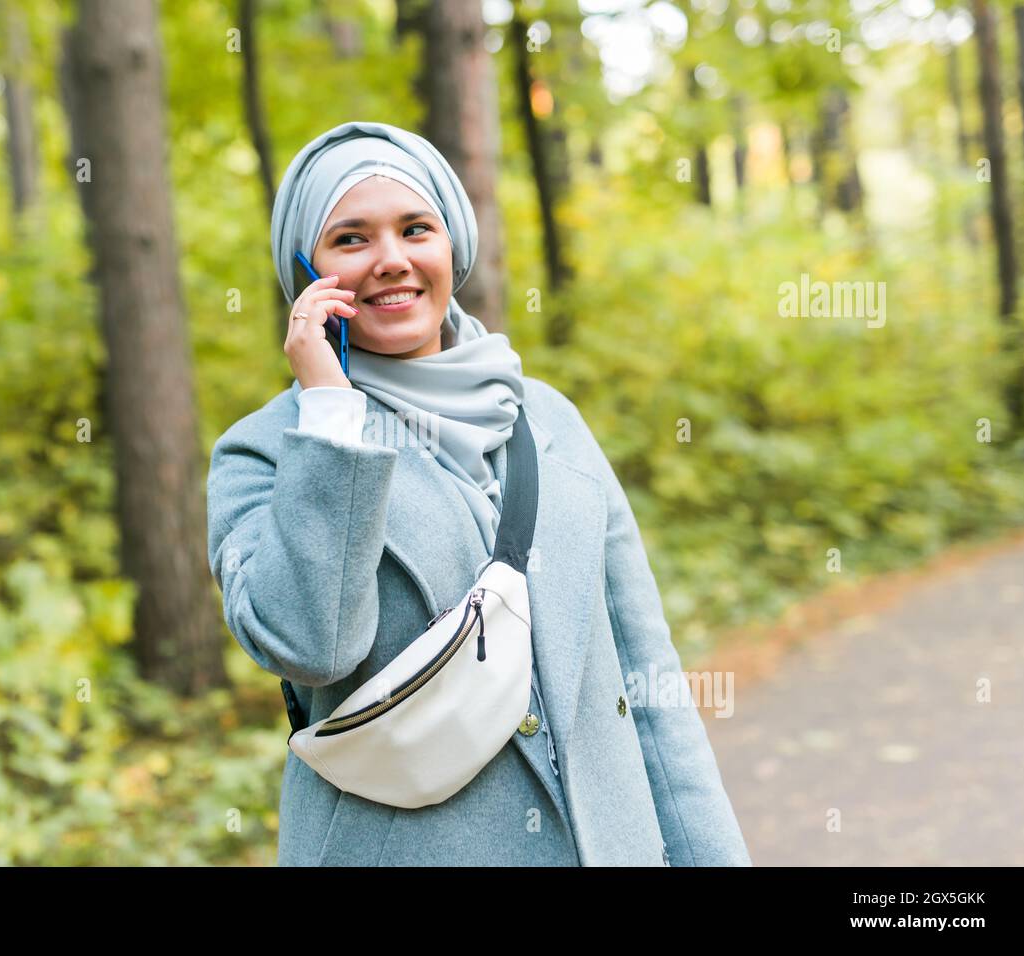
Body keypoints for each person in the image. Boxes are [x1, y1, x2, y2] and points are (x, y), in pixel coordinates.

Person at [206, 120, 752, 867]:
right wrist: (330, 417)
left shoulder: (549, 418)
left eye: (415, 228)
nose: (392, 260)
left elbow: (643, 668)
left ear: (452, 243)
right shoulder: (268, 450)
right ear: (307, 268)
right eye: (352, 239)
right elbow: (311, 646)